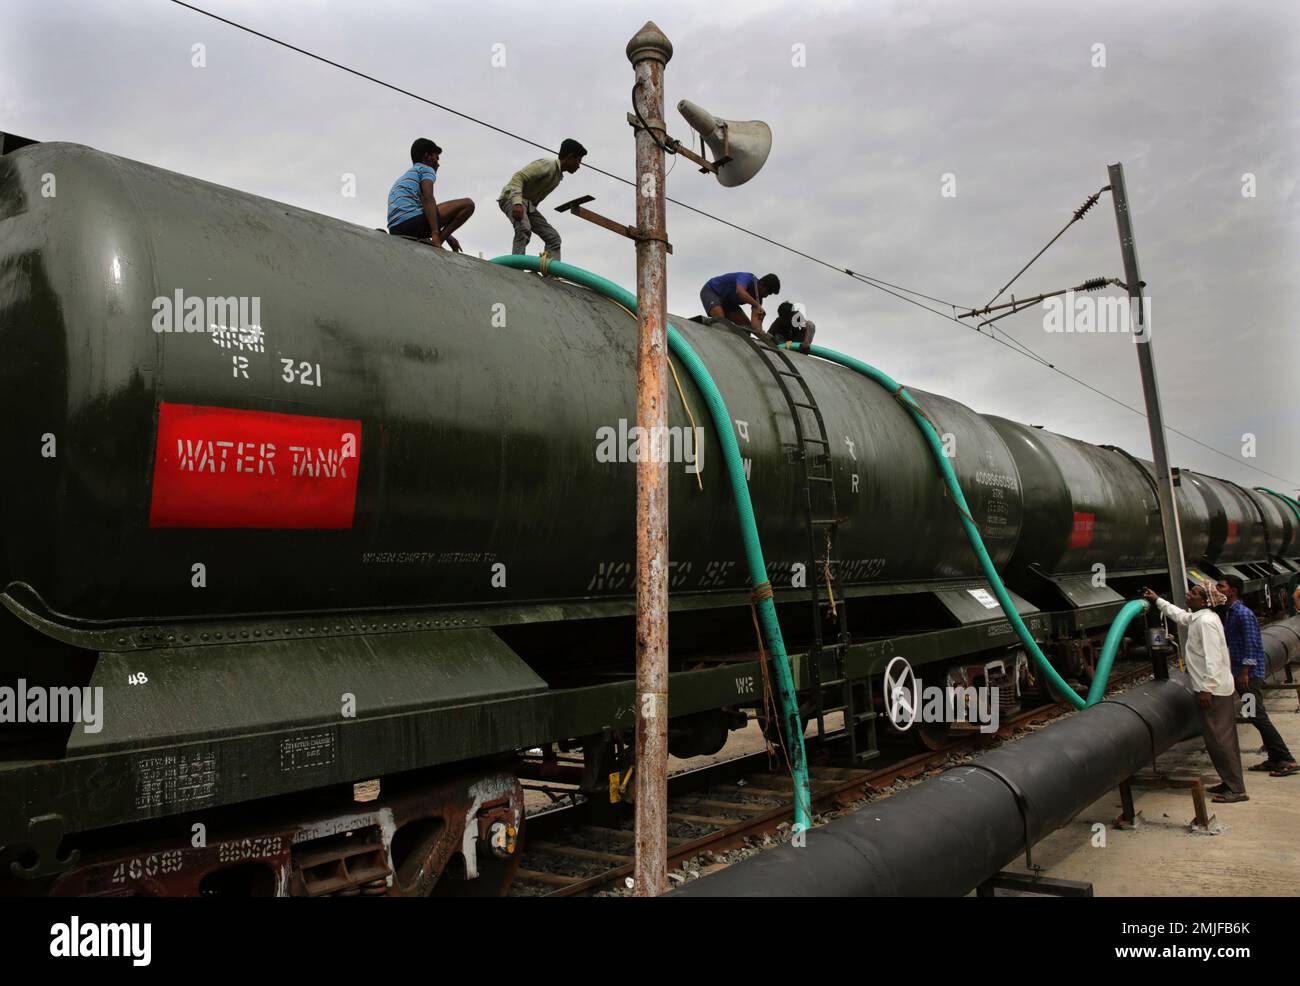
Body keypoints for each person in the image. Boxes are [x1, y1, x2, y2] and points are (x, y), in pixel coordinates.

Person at [1142, 585, 1247, 802]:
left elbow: (1213, 659)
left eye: (1193, 593)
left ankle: (1236, 789)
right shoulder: (1201, 618)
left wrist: (1206, 688)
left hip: (1214, 691)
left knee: (1220, 740)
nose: (1188, 595)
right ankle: (1229, 782)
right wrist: (1158, 600)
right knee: (1217, 740)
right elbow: (1181, 617)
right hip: (1214, 689)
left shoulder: (1206, 623)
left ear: (1204, 601)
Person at [1217, 575, 1298, 776]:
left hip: (1248, 677)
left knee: (1256, 715)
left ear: (1233, 590)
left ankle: (1285, 758)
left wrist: (1245, 672)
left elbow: (1252, 645)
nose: (1217, 589)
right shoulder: (1231, 612)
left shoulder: (1242, 613)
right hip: (1243, 674)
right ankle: (1275, 757)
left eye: (1221, 586)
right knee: (1254, 714)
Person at [498, 139, 587, 262]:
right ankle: (516, 266)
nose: (578, 166)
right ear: (570, 157)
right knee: (524, 228)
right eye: (578, 161)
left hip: (528, 205)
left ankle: (551, 274)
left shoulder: (557, 176)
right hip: (511, 198)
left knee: (553, 238)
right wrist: (517, 203)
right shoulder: (548, 165)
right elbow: (518, 177)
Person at [387, 138, 475, 251]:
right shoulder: (426, 169)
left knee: (432, 209)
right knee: (468, 204)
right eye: (436, 158)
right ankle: (436, 244)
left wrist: (449, 236)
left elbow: (424, 209)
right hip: (413, 224)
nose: (438, 164)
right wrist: (436, 235)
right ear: (426, 156)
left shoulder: (406, 177)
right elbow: (427, 198)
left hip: (395, 228)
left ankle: (438, 238)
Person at [700, 272, 781, 344]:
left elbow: (755, 326)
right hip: (712, 291)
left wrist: (762, 334)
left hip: (728, 302)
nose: (766, 296)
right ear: (761, 284)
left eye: (769, 294)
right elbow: (740, 292)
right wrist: (757, 305)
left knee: (746, 328)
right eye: (767, 292)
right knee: (721, 321)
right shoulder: (747, 278)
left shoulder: (758, 299)